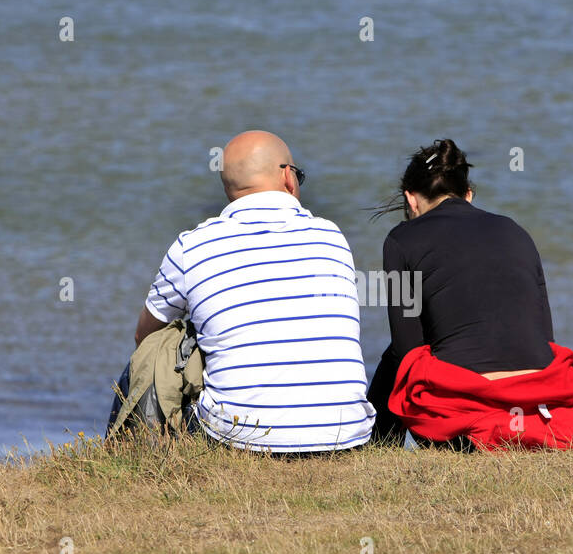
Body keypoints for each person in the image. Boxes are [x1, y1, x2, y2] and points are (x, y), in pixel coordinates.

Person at [111, 130, 375, 453]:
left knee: (159, 346)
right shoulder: (332, 237)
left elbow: (144, 336)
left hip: (238, 442)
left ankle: (127, 453)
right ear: (287, 177)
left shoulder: (192, 246)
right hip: (346, 438)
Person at [366, 139, 573, 449]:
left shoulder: (400, 239)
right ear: (469, 194)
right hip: (539, 407)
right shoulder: (516, 231)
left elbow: (408, 351)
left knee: (394, 356)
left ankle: (377, 446)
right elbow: (546, 338)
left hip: (462, 419)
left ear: (410, 199)